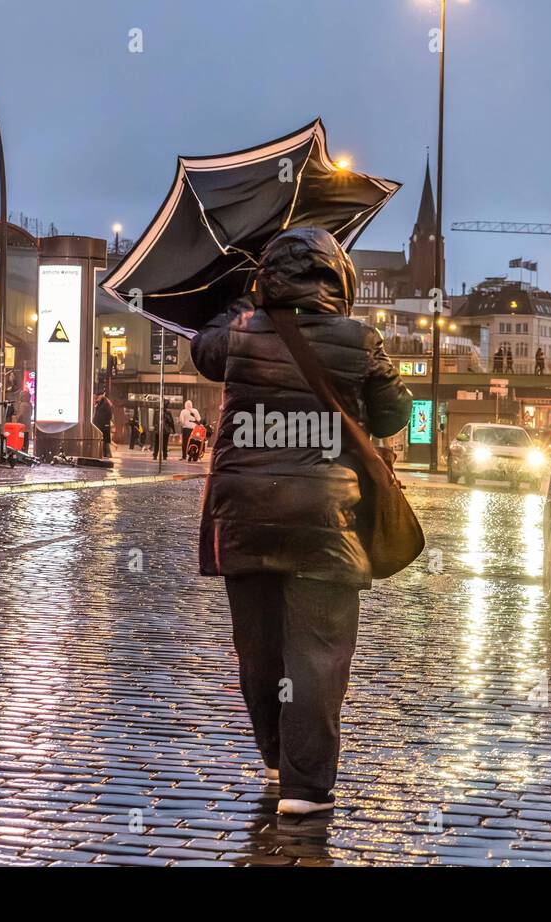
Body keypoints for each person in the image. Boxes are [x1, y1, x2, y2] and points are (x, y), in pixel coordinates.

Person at [192, 227, 411, 817]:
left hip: (245, 513)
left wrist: (246, 302)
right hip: (326, 516)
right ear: (339, 280)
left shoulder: (237, 332)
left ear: (268, 277)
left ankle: (272, 753)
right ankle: (305, 787)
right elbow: (396, 412)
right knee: (316, 654)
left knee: (258, 652)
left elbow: (202, 350)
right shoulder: (360, 339)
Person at [92, 390, 114, 458]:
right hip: (102, 425)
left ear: (101, 396)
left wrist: (105, 423)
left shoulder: (105, 403)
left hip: (103, 426)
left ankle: (108, 455)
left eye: (97, 396)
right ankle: (107, 454)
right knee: (104, 441)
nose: (96, 397)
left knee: (105, 441)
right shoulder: (101, 403)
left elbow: (109, 415)